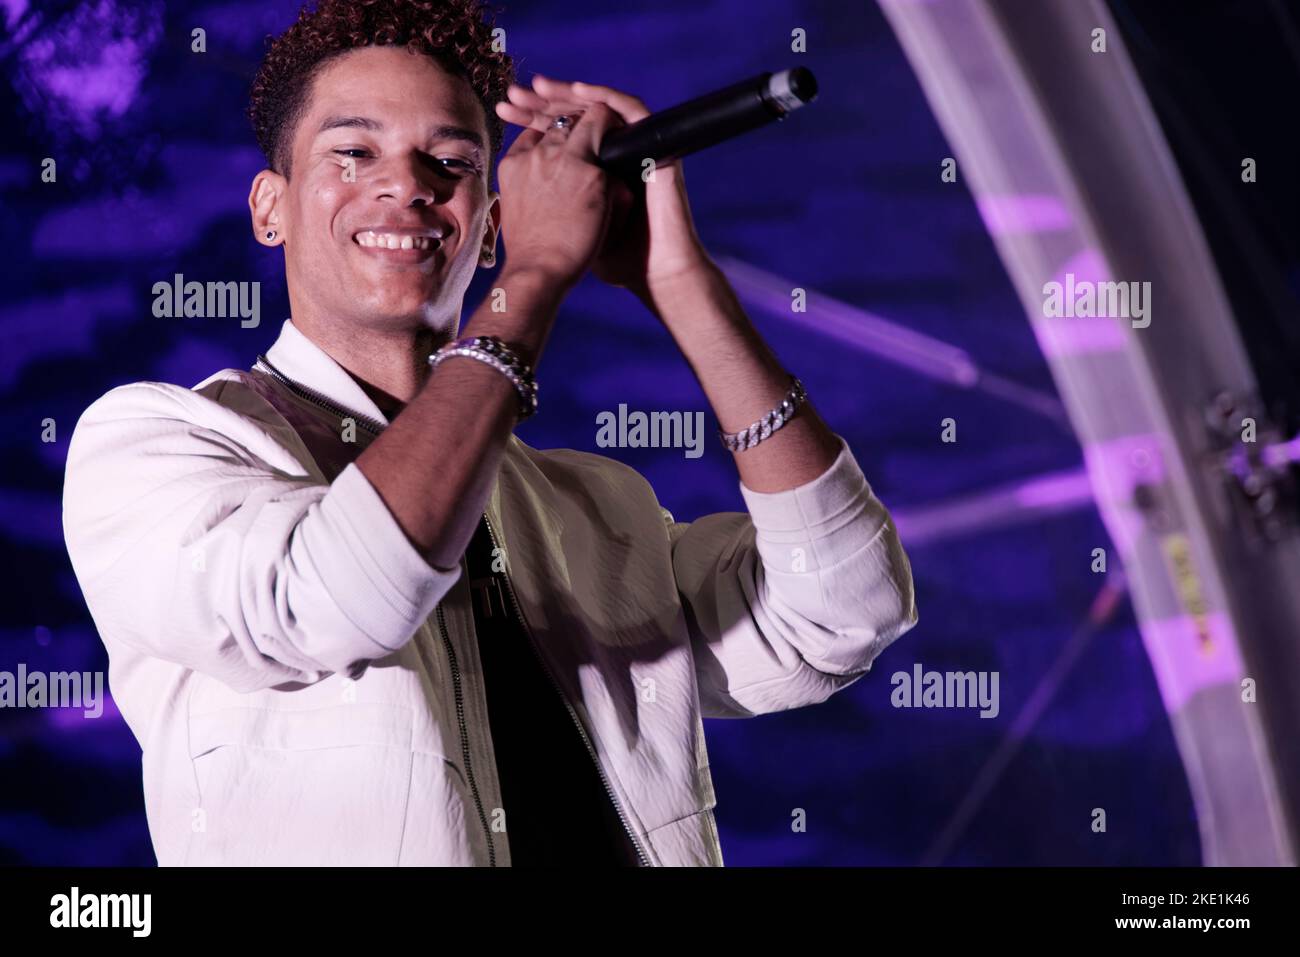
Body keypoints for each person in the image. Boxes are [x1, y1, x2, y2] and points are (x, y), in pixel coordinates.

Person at [62, 0, 918, 866]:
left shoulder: (594, 506)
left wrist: (677, 279)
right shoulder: (160, 444)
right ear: (269, 208)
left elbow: (840, 612)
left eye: (450, 159)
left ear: (491, 222)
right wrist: (540, 273)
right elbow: (339, 590)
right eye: (353, 151)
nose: (406, 184)